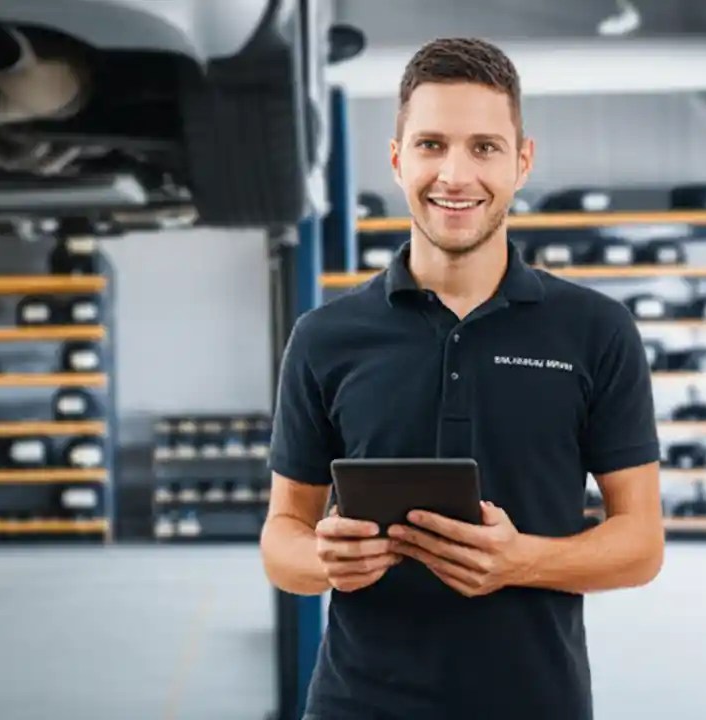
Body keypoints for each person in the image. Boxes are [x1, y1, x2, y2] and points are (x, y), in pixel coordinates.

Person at [259, 37, 665, 720]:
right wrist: (325, 561)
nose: (455, 174)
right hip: (358, 704)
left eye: (483, 147)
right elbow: (282, 537)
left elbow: (641, 543)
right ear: (397, 158)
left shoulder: (596, 331)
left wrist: (520, 562)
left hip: (536, 702)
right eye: (430, 145)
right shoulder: (326, 337)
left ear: (521, 161)